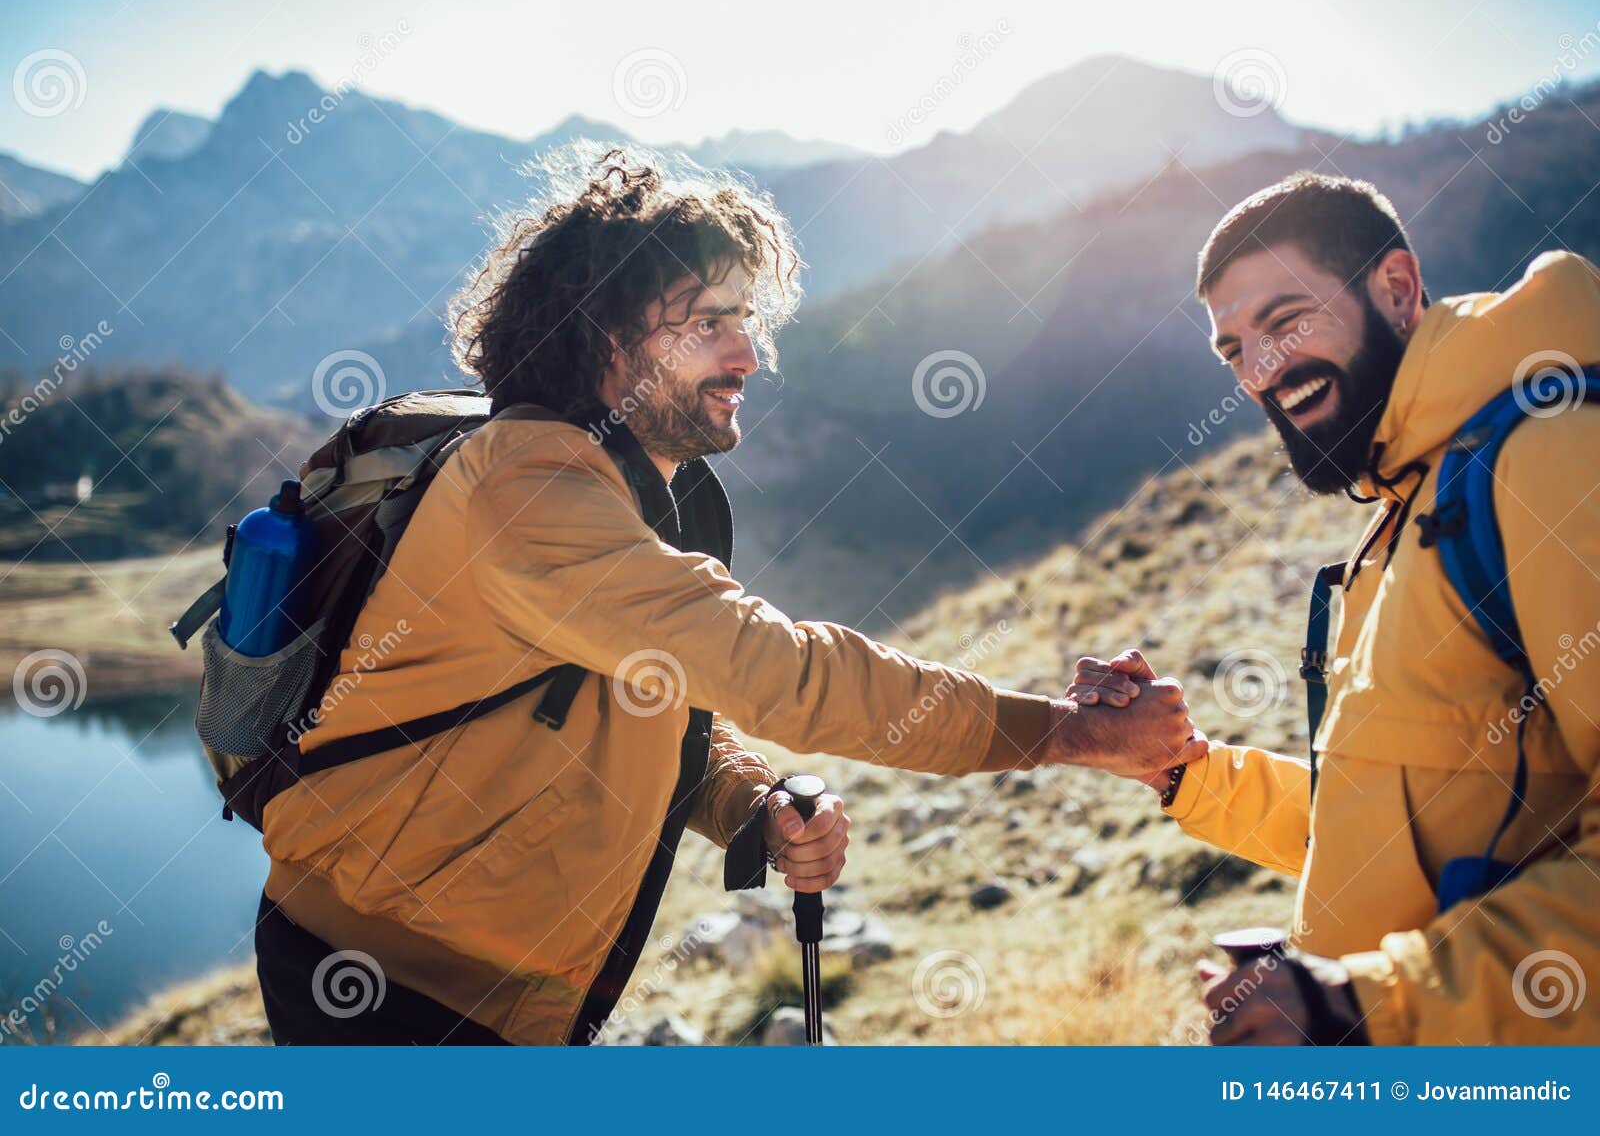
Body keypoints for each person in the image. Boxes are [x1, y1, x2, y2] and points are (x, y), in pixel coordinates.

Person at [253, 147, 1206, 1046]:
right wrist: (1065, 733)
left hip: (485, 998)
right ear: (607, 342)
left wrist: (752, 805)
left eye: (746, 319)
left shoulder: (610, 481)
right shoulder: (529, 487)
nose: (749, 355)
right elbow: (782, 673)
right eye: (707, 322)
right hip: (386, 988)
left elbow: (640, 704)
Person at [1076, 171, 1600, 1044]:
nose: (1262, 371)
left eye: (1285, 321)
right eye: (1235, 348)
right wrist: (1182, 770)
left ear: (1395, 289)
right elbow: (1400, 814)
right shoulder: (1413, 502)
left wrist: (1371, 1002)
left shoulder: (1556, 461)